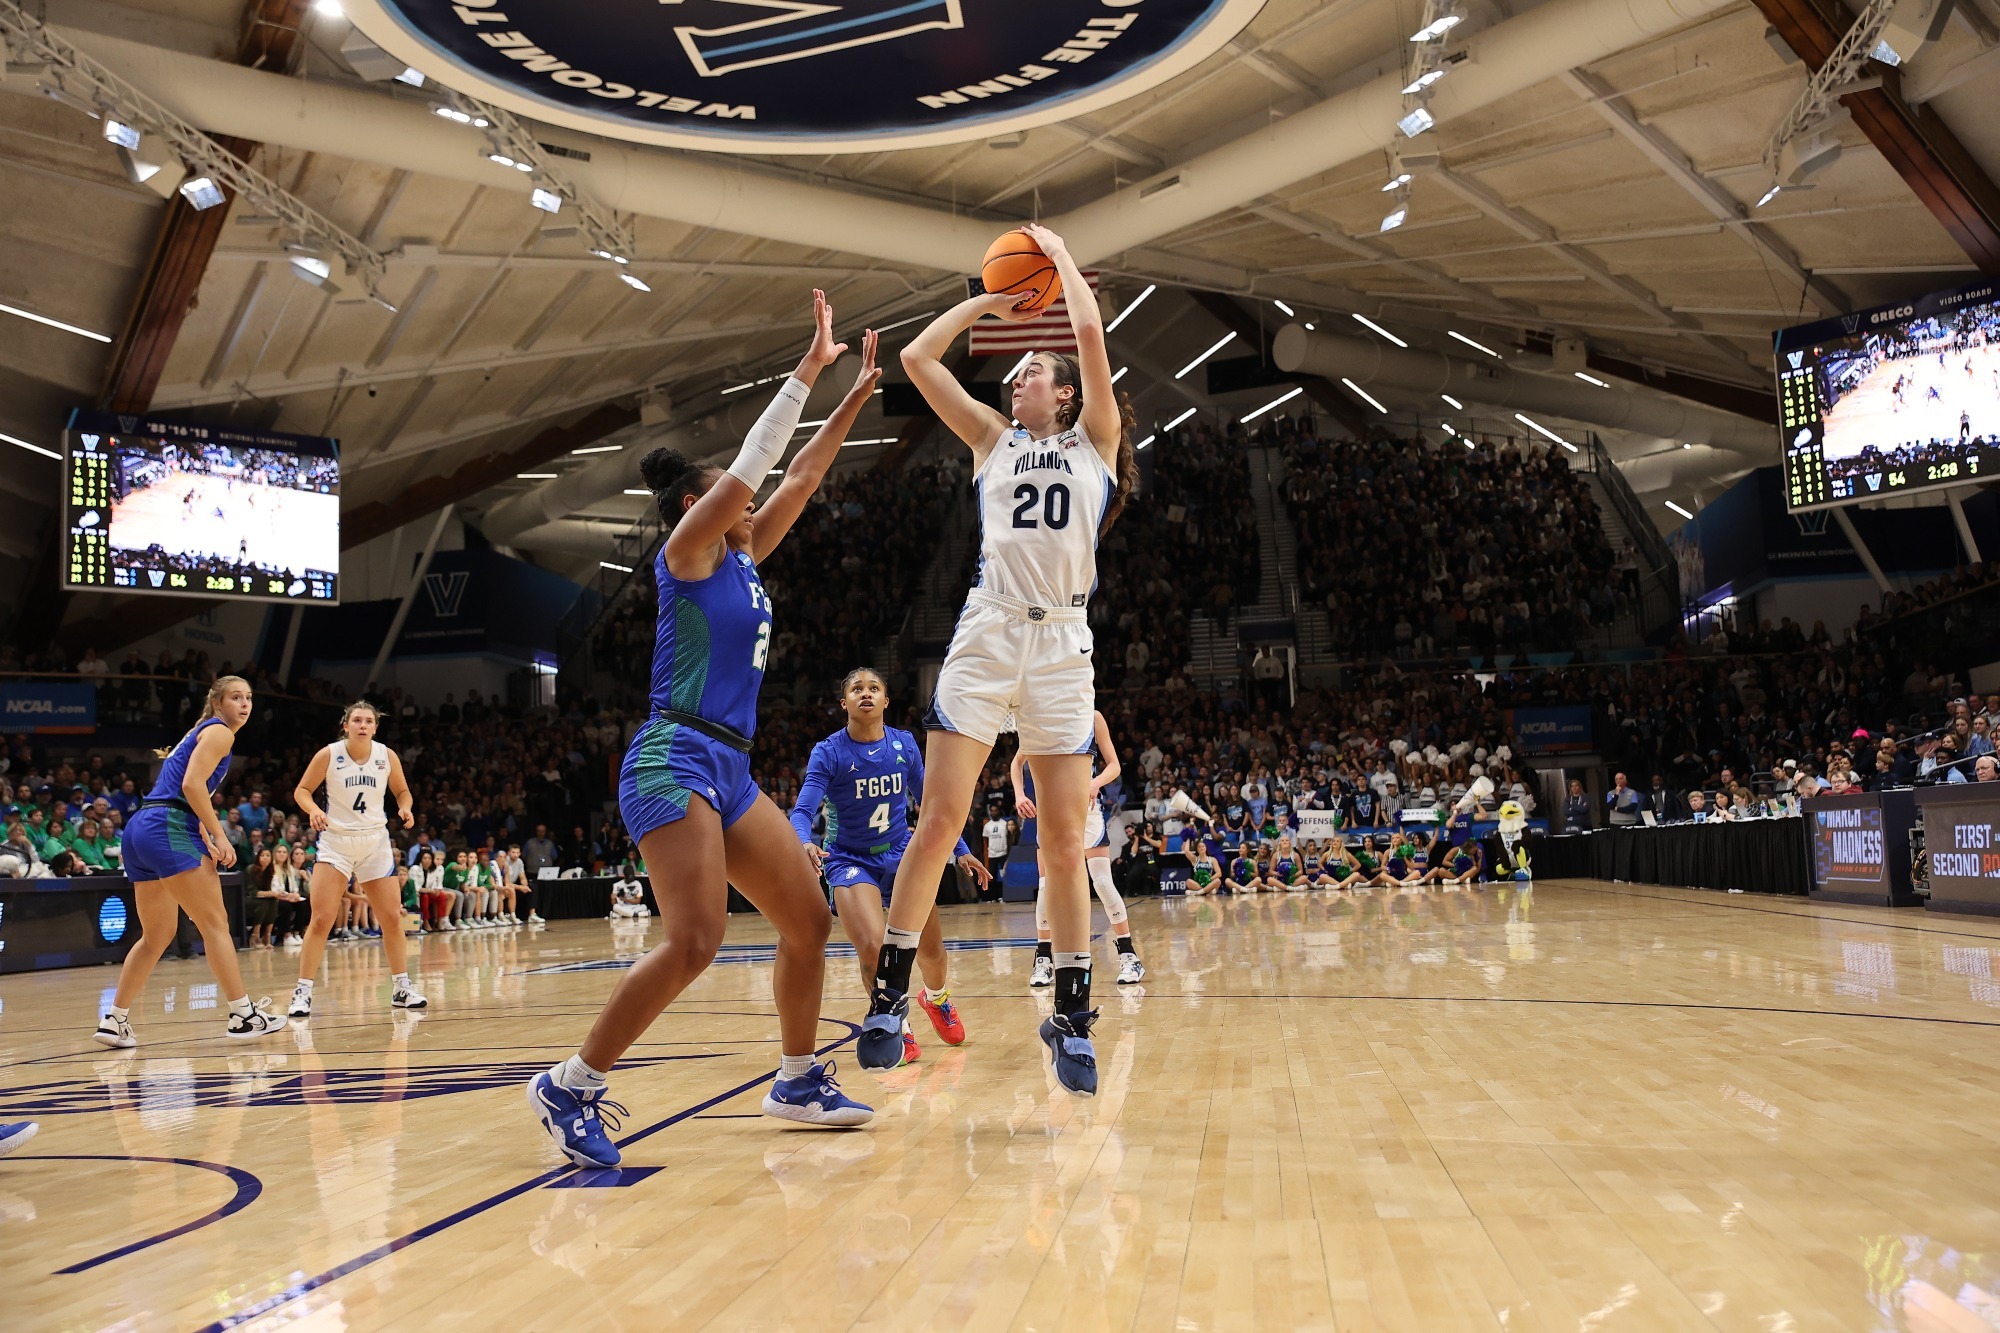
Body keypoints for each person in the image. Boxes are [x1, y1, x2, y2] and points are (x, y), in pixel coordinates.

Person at [527, 293, 880, 1168]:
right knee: (695, 940)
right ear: (700, 502)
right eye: (733, 497)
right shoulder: (685, 555)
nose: (752, 505)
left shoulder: (747, 562)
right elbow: (761, 467)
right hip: (671, 756)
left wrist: (851, 398)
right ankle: (570, 1083)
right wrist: (808, 368)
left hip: (730, 766)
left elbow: (800, 478)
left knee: (808, 922)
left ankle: (796, 1078)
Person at [860, 226, 1139, 1095]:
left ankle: (1073, 1017)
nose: (1017, 379)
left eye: (1032, 373)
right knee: (939, 819)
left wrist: (1056, 257)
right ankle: (889, 997)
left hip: (1062, 645)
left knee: (1063, 842)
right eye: (1014, 373)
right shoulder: (991, 439)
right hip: (987, 633)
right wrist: (989, 299)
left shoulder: (1095, 441)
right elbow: (917, 357)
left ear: (1065, 395)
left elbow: (1087, 333)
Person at [791, 668, 991, 1064]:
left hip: (902, 855)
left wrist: (961, 849)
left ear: (886, 700)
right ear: (844, 703)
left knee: (931, 952)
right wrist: (803, 841)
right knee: (871, 948)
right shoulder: (828, 751)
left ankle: (937, 998)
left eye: (874, 688)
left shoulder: (904, 744)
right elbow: (802, 811)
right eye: (856, 689)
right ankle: (896, 1024)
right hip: (849, 859)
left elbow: (933, 805)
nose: (865, 693)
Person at [92, 676, 286, 1048]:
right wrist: (219, 835)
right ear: (217, 703)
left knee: (157, 936)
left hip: (142, 828)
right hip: (168, 826)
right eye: (235, 697)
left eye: (248, 697)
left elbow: (184, 790)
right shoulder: (220, 733)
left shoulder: (201, 733)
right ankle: (243, 1015)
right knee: (215, 924)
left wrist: (205, 835)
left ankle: (114, 1020)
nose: (245, 704)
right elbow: (191, 786)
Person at [286, 700, 424, 1020]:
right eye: (357, 720)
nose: (363, 725)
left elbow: (402, 792)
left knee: (392, 917)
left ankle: (401, 988)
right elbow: (302, 790)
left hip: (375, 842)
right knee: (321, 919)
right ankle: (302, 992)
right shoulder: (329, 754)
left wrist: (405, 807)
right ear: (345, 725)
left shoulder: (386, 755)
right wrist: (314, 810)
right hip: (336, 841)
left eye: (369, 721)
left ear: (376, 727)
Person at [1016, 710, 1145, 990]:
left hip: (1086, 811)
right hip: (1050, 812)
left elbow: (1114, 765)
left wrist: (1095, 783)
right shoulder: (1042, 715)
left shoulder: (1092, 716)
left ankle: (1129, 955)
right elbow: (1017, 762)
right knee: (1046, 887)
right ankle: (1043, 959)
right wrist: (1019, 794)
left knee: (1103, 883)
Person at [980, 806, 1014, 901]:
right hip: (992, 854)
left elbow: (1009, 838)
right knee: (992, 876)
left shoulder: (1004, 823)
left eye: (995, 811)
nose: (994, 812)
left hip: (1003, 853)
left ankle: (1004, 896)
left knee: (1005, 875)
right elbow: (985, 840)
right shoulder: (987, 826)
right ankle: (993, 897)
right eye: (992, 811)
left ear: (999, 811)